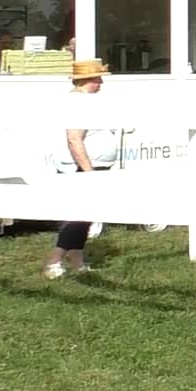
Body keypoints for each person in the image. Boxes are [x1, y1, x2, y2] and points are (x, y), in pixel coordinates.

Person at [43, 58, 120, 278]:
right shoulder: (78, 103)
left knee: (86, 215)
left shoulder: (86, 102)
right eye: (98, 79)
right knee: (78, 215)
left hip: (92, 165)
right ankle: (54, 260)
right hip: (83, 167)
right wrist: (88, 172)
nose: (101, 84)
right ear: (88, 80)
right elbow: (75, 139)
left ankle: (77, 262)